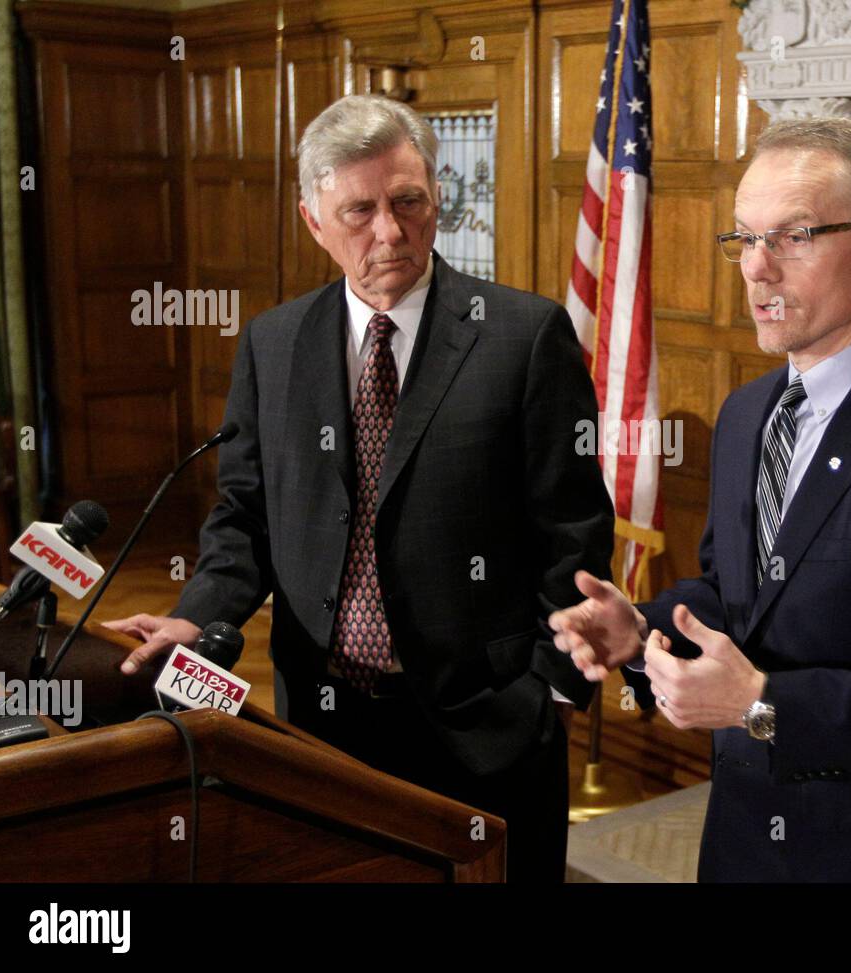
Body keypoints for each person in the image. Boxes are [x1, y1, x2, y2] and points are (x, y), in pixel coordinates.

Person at [104, 94, 614, 883]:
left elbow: (573, 531)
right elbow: (244, 518)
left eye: (408, 201)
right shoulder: (274, 345)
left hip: (486, 727)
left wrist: (547, 690)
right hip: (324, 724)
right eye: (360, 210)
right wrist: (194, 617)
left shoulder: (524, 335)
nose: (390, 231)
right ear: (314, 221)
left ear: (436, 197)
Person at [549, 116, 851, 882]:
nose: (756, 268)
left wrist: (763, 703)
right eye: (744, 238)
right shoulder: (746, 413)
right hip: (738, 837)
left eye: (794, 236)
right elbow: (735, 597)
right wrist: (637, 630)